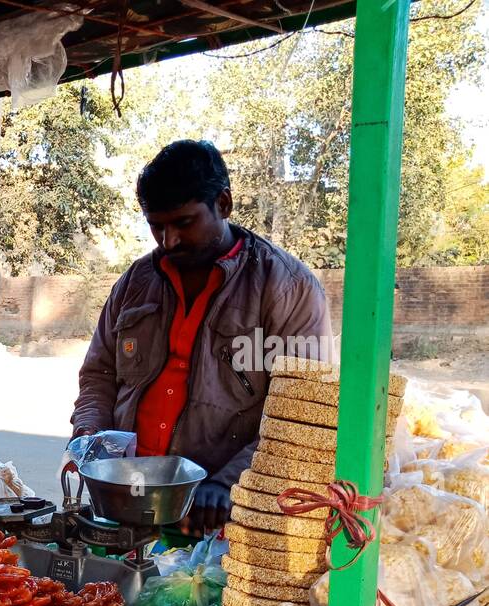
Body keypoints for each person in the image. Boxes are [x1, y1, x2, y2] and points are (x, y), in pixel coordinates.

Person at [71, 140, 330, 534]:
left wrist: (228, 483)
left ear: (223, 204)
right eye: (156, 226)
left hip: (219, 519)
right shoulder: (134, 283)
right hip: (123, 507)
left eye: (183, 223)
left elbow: (301, 414)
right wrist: (89, 440)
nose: (168, 240)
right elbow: (99, 375)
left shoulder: (287, 289)